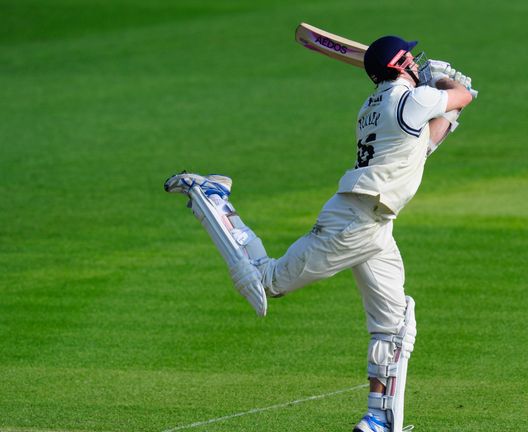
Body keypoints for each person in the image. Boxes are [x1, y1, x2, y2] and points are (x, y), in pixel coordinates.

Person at [164, 34, 474, 432]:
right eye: (411, 58)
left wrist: (446, 101)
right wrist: (447, 84)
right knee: (266, 281)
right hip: (356, 222)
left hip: (374, 223)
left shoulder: (376, 106)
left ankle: (378, 420)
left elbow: (424, 143)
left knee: (394, 323)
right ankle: (212, 198)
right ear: (399, 65)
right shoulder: (410, 101)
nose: (418, 62)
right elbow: (462, 95)